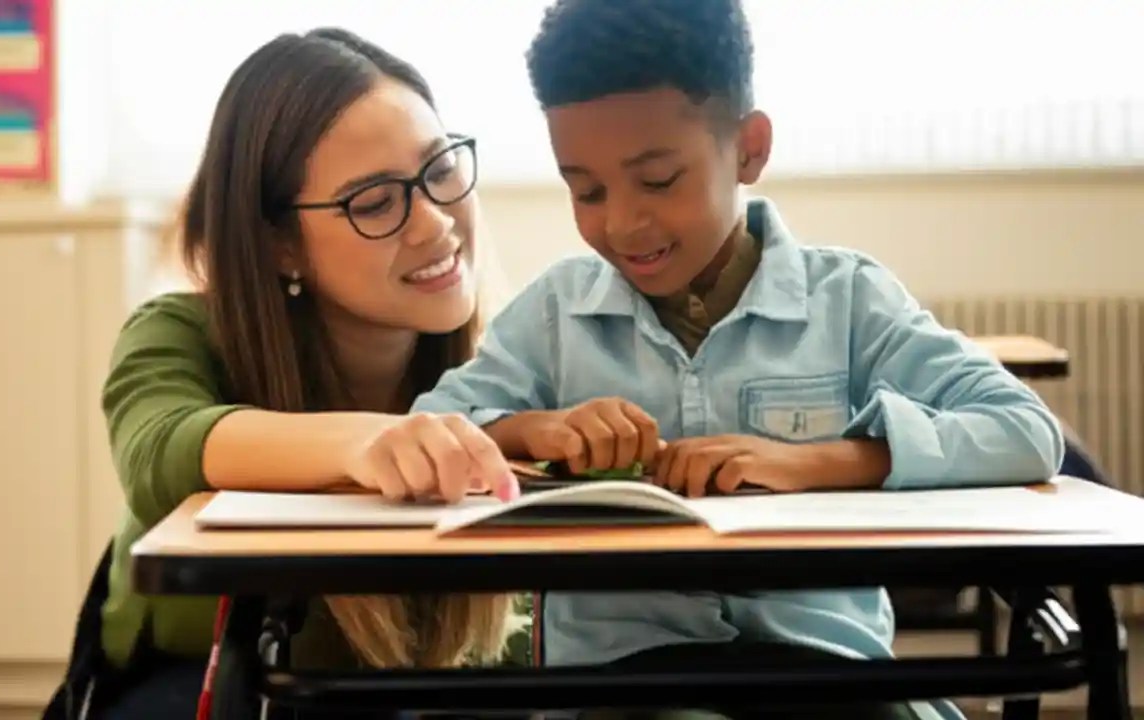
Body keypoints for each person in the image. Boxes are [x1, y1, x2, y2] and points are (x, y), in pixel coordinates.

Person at [410, 1, 1065, 718]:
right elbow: (428, 428)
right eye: (586, 190)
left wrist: (828, 461)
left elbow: (1024, 430)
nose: (623, 222)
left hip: (826, 675)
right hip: (625, 683)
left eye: (658, 180)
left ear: (749, 148)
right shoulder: (553, 313)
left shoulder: (848, 300)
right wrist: (534, 430)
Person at [52, 29, 530, 719]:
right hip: (199, 687)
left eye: (442, 169)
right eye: (374, 202)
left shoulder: (515, 357)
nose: (434, 223)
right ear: (280, 245)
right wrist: (367, 446)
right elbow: (160, 451)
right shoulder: (179, 335)